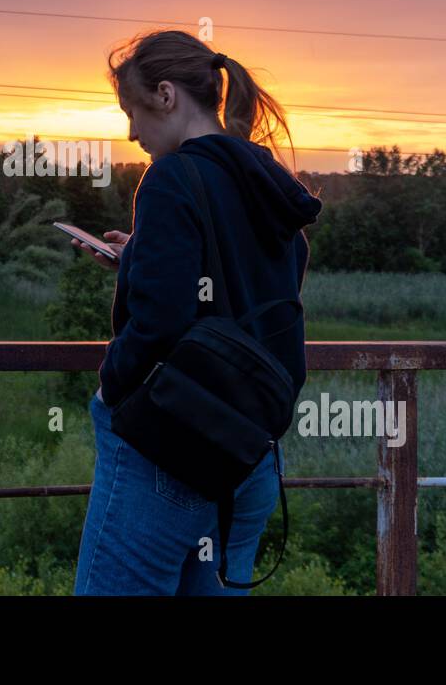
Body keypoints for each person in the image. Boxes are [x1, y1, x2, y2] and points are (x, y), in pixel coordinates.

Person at [71, 29, 322, 595]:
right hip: (248, 455)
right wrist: (141, 255)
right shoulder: (266, 179)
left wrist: (110, 394)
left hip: (167, 449)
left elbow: (161, 323)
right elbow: (252, 283)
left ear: (165, 95)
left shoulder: (171, 178)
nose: (132, 132)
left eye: (131, 112)